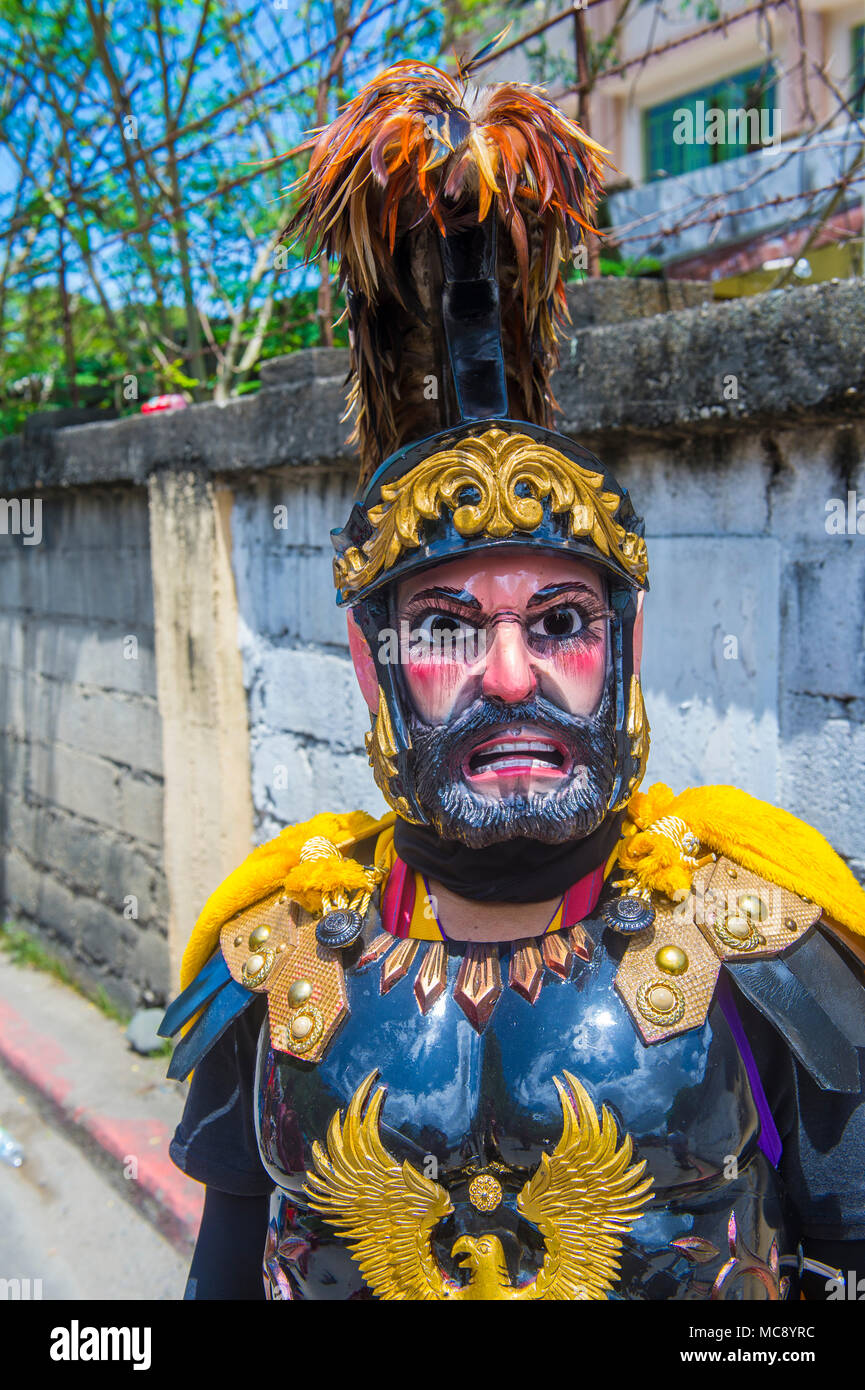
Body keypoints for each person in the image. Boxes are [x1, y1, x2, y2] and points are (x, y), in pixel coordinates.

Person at [160, 60, 865, 1301]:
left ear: (622, 651)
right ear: (373, 673)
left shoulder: (761, 946)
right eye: (442, 630)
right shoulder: (275, 962)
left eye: (558, 620)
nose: (506, 672)